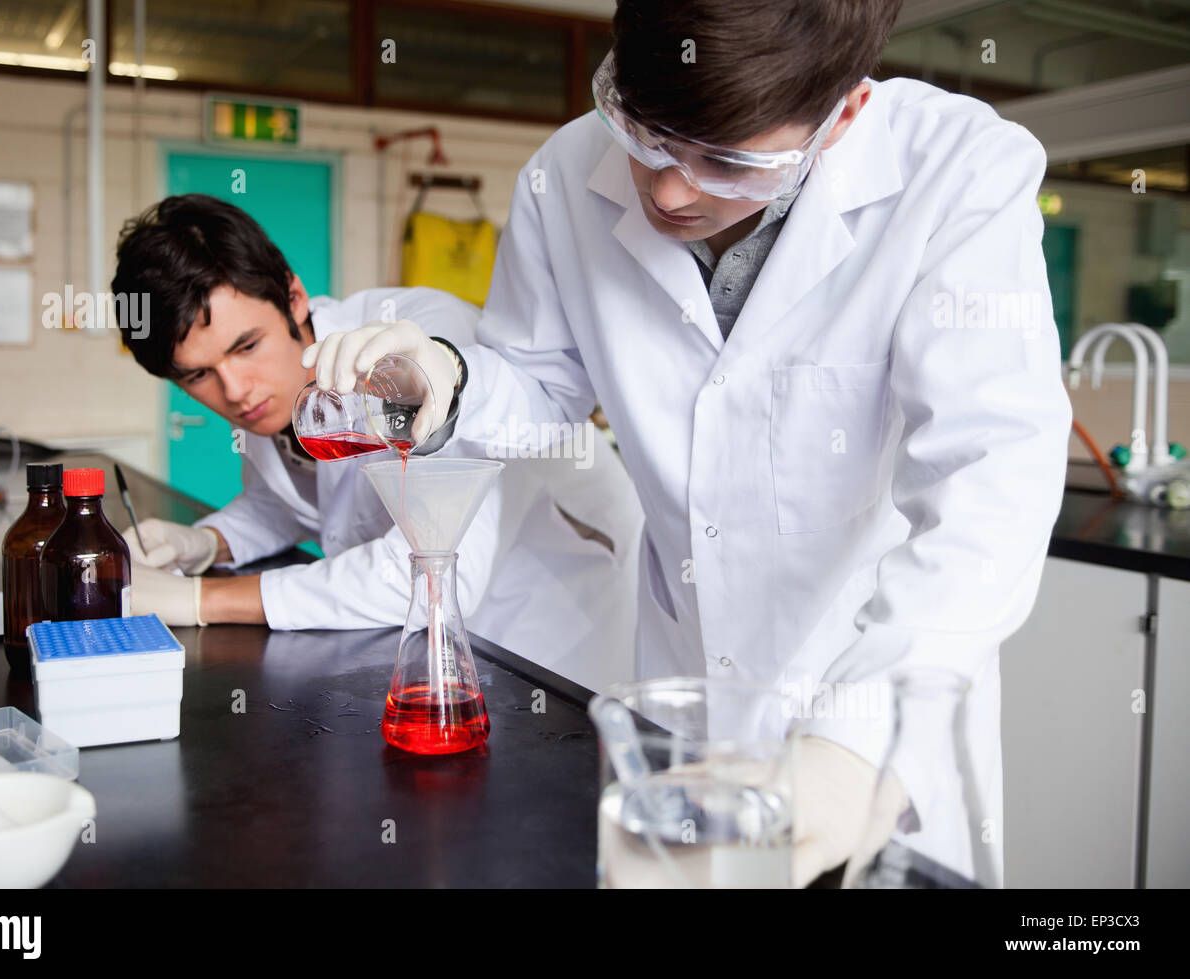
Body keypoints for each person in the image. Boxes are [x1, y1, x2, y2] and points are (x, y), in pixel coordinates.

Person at [308, 0, 1073, 885]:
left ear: (844, 115)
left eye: (729, 162)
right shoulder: (563, 176)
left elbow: (992, 477)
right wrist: (450, 379)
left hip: (873, 709)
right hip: (684, 698)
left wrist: (845, 753)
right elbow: (546, 399)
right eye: (644, 130)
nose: (668, 189)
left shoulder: (957, 172)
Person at [109, 194, 643, 693]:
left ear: (293, 298)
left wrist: (201, 600)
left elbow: (427, 570)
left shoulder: (424, 341)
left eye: (246, 346)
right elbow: (293, 501)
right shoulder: (271, 395)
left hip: (556, 629)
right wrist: (205, 542)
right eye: (198, 376)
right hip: (440, 649)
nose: (234, 390)